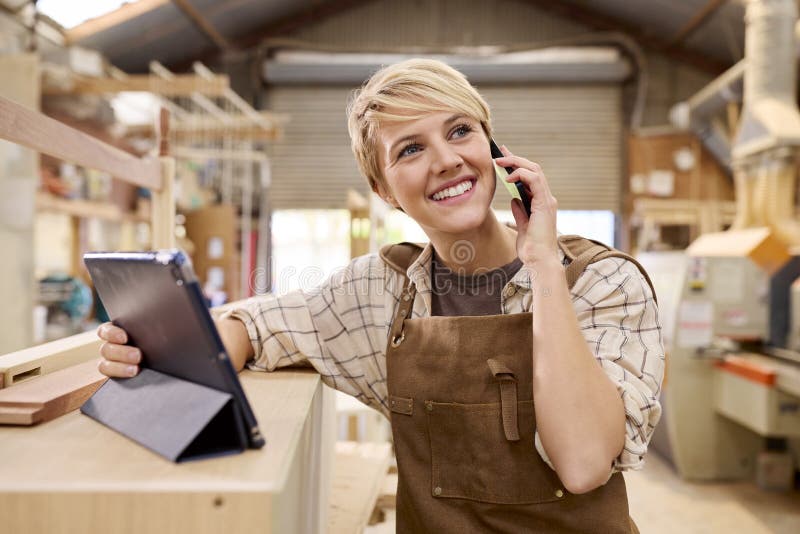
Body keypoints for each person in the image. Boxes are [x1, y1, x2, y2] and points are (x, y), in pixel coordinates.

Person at [97, 58, 664, 533]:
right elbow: (257, 324)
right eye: (410, 149)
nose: (446, 160)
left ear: (495, 148)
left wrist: (543, 268)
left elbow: (584, 463)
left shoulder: (600, 282)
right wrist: (163, 354)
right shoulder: (380, 291)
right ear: (382, 188)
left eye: (460, 131)